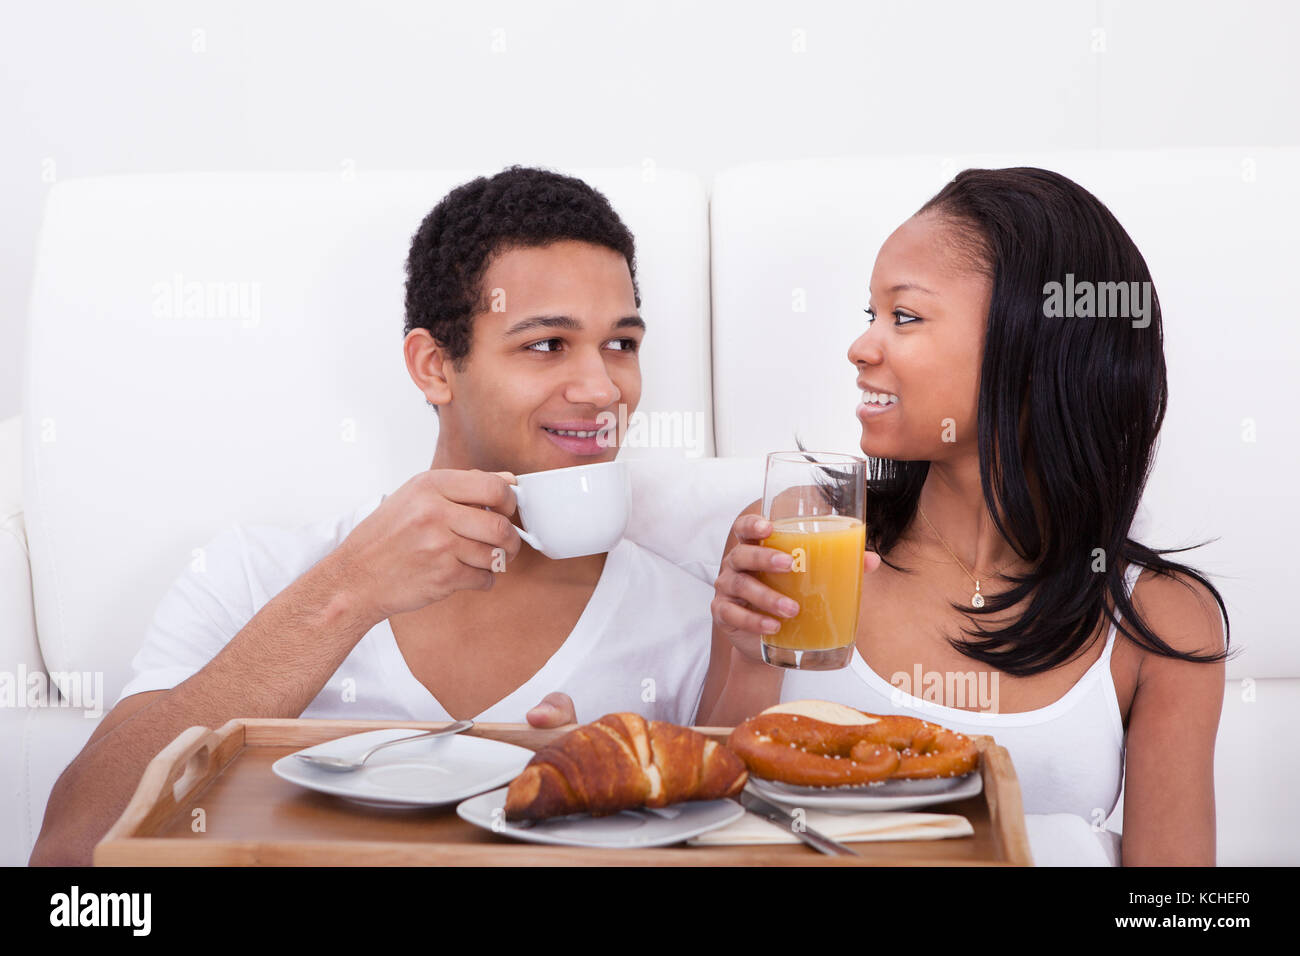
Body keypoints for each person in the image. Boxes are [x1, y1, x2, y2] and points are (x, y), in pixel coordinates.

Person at [30, 166, 714, 866]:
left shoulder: (691, 621)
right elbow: (66, 857)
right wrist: (346, 594)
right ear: (434, 367)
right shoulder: (249, 575)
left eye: (622, 344)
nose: (604, 389)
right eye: (546, 345)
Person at [698, 167, 1234, 867]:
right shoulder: (802, 535)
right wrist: (746, 655)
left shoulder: (1161, 620)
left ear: (1037, 345)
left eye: (906, 316)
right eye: (872, 316)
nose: (861, 348)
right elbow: (702, 831)